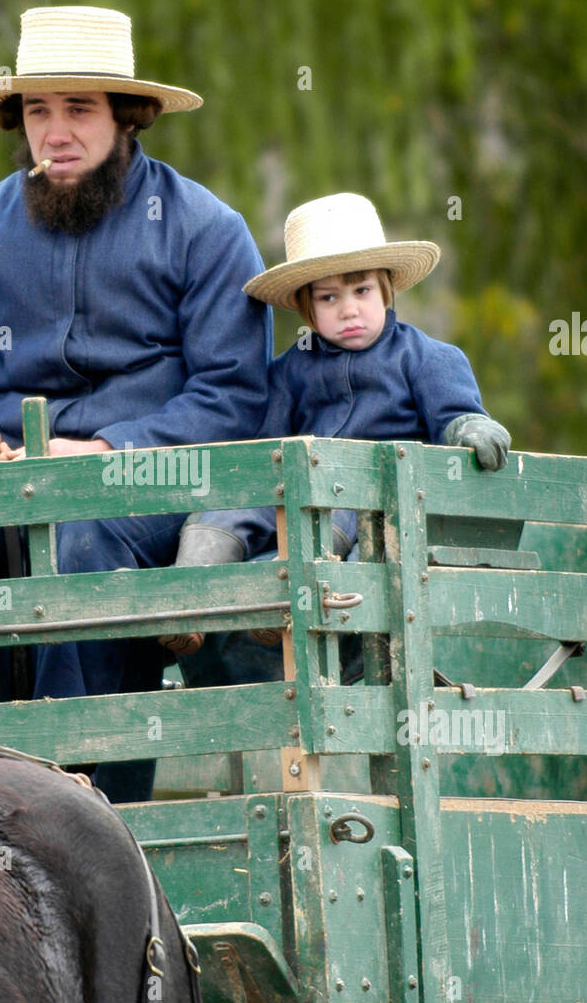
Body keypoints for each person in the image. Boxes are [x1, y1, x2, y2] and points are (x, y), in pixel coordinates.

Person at [0, 5, 271, 801]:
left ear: (127, 116)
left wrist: (108, 450)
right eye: (37, 110)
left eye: (78, 109)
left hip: (144, 486)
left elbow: (232, 395)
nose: (55, 133)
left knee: (81, 538)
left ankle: (80, 803)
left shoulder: (205, 228)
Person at [165, 192, 510, 670]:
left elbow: (453, 412)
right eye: (329, 297)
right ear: (307, 310)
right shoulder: (290, 370)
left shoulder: (426, 357)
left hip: (375, 502)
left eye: (361, 291)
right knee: (231, 505)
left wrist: (468, 425)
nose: (348, 310)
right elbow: (266, 446)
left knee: (338, 510)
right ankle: (188, 601)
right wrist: (251, 485)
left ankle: (279, 601)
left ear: (387, 290)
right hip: (297, 491)